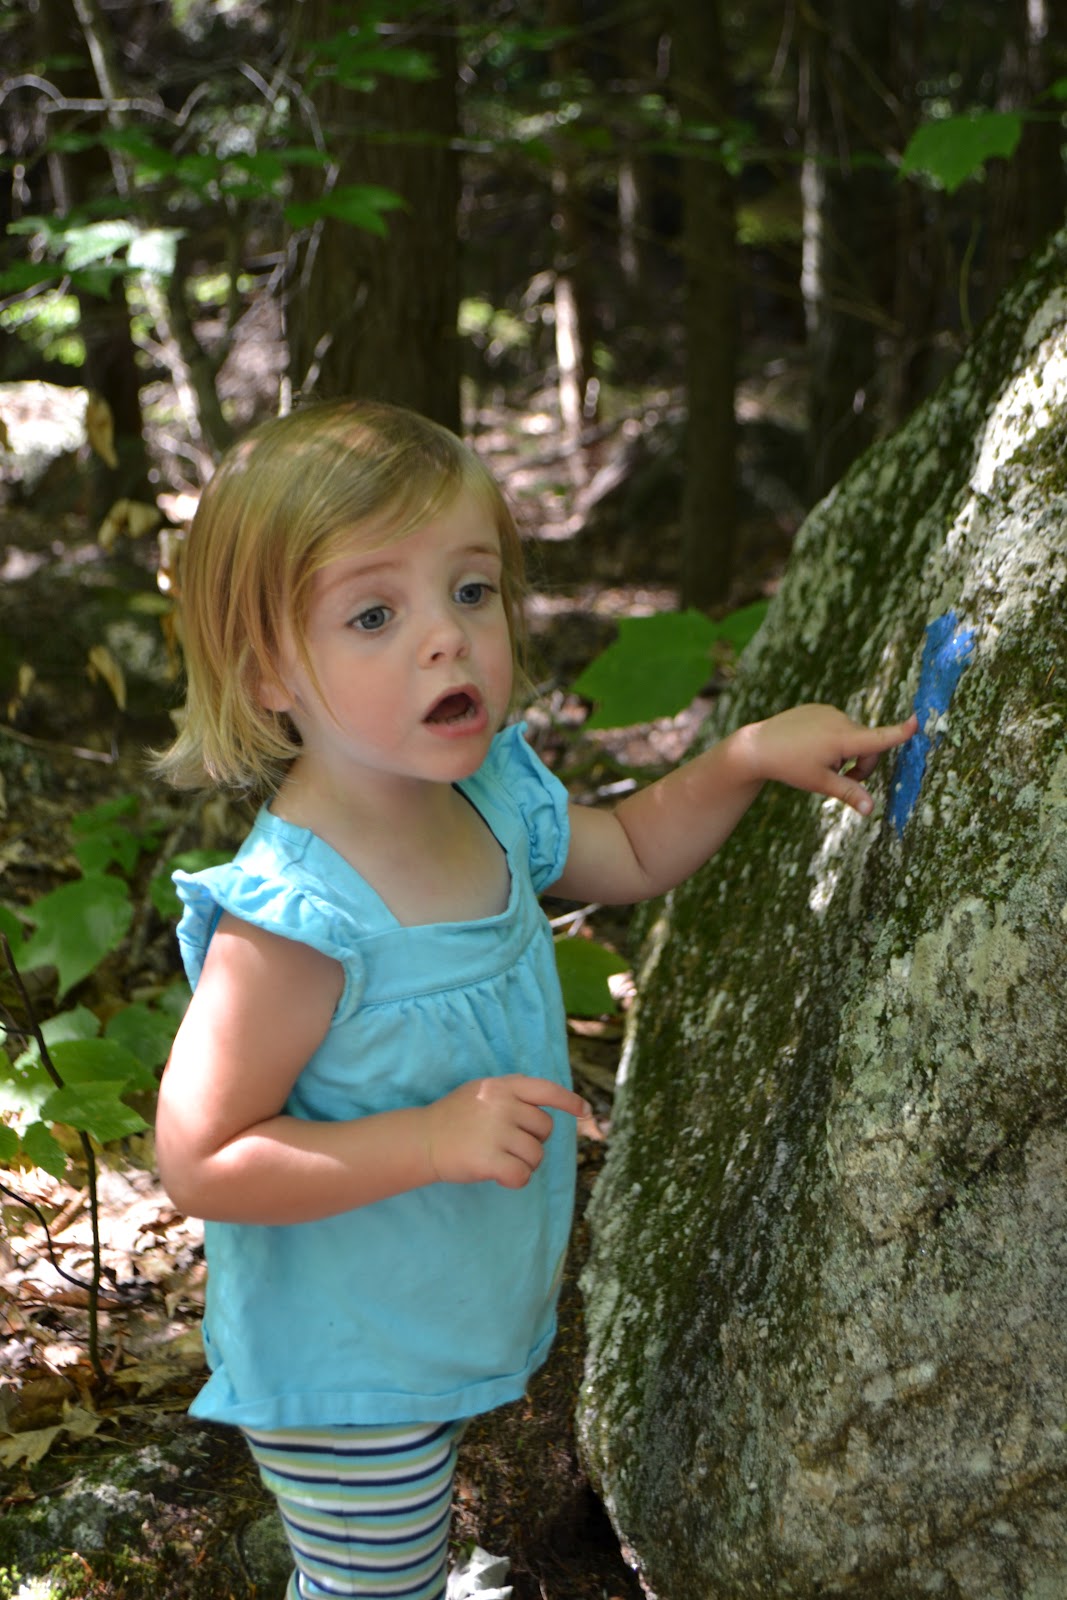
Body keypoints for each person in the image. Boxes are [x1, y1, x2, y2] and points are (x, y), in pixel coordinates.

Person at [154, 399, 916, 1600]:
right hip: (349, 1366)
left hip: (436, 1322)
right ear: (266, 672)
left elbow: (625, 849)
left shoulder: (490, 798)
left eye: (471, 590)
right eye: (373, 613)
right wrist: (427, 1138)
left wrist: (739, 759)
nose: (445, 642)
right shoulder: (298, 914)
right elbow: (199, 1157)